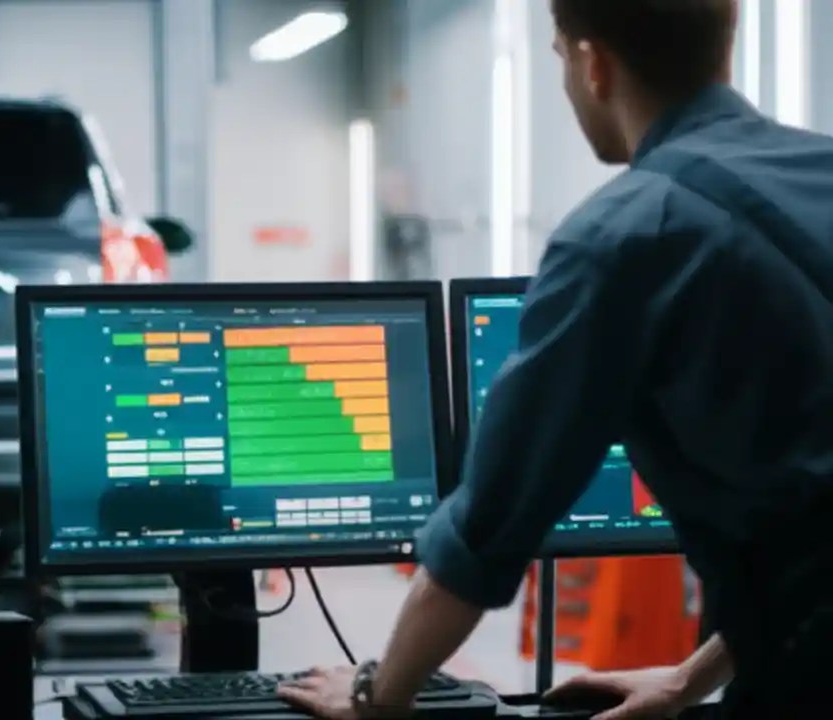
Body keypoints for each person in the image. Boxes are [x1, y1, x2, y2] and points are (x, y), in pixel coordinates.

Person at [279, 0, 833, 718]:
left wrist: (376, 698)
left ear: (591, 64)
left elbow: (485, 531)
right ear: (726, 45)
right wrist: (687, 679)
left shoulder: (625, 236)